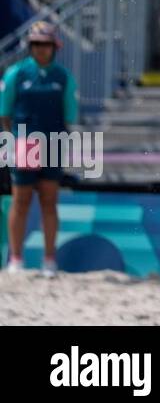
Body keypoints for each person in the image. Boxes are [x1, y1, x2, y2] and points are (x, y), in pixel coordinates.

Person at [2, 23, 78, 277]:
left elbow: (69, 116)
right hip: (25, 142)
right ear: (30, 47)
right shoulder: (16, 73)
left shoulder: (63, 77)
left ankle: (49, 260)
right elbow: (5, 113)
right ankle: (15, 258)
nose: (41, 49)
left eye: (45, 44)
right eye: (36, 44)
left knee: (49, 202)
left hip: (54, 141)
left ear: (54, 47)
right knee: (20, 201)